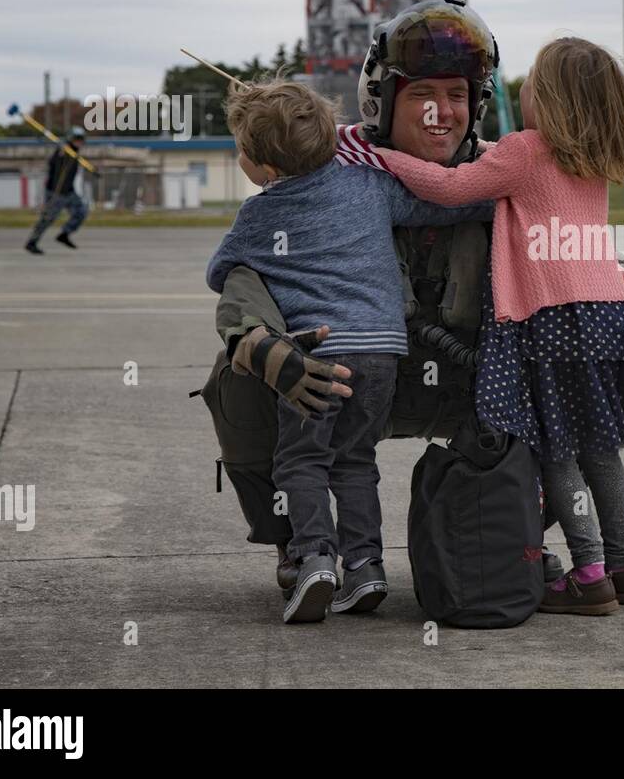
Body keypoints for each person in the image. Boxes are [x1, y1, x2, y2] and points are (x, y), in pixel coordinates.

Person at [203, 0, 624, 601]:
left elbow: (591, 271)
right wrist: (259, 342)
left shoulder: (502, 174)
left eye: (457, 95)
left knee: (552, 382)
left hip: (473, 386)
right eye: (424, 92)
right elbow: (245, 274)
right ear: (384, 98)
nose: (442, 112)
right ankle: (303, 541)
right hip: (343, 375)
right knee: (240, 381)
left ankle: (517, 536)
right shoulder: (326, 179)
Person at [363, 36, 624, 616]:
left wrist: (381, 156)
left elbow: (450, 186)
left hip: (549, 321)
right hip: (603, 320)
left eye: (532, 85)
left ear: (548, 99)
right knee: (602, 452)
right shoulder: (592, 161)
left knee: (558, 454)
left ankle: (589, 572)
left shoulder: (526, 151)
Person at [205, 79, 490, 624]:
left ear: (262, 166)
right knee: (357, 461)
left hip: (315, 356)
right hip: (383, 353)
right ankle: (366, 568)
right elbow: (440, 208)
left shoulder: (257, 216)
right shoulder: (368, 186)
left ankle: (314, 558)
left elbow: (221, 272)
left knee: (302, 460)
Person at [25, 128, 88, 253]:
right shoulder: (62, 151)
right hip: (56, 191)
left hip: (69, 192)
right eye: (76, 139)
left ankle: (65, 234)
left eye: (81, 140)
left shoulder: (75, 154)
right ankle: (32, 242)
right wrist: (62, 152)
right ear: (70, 139)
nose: (79, 142)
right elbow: (55, 163)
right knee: (48, 218)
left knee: (82, 211)